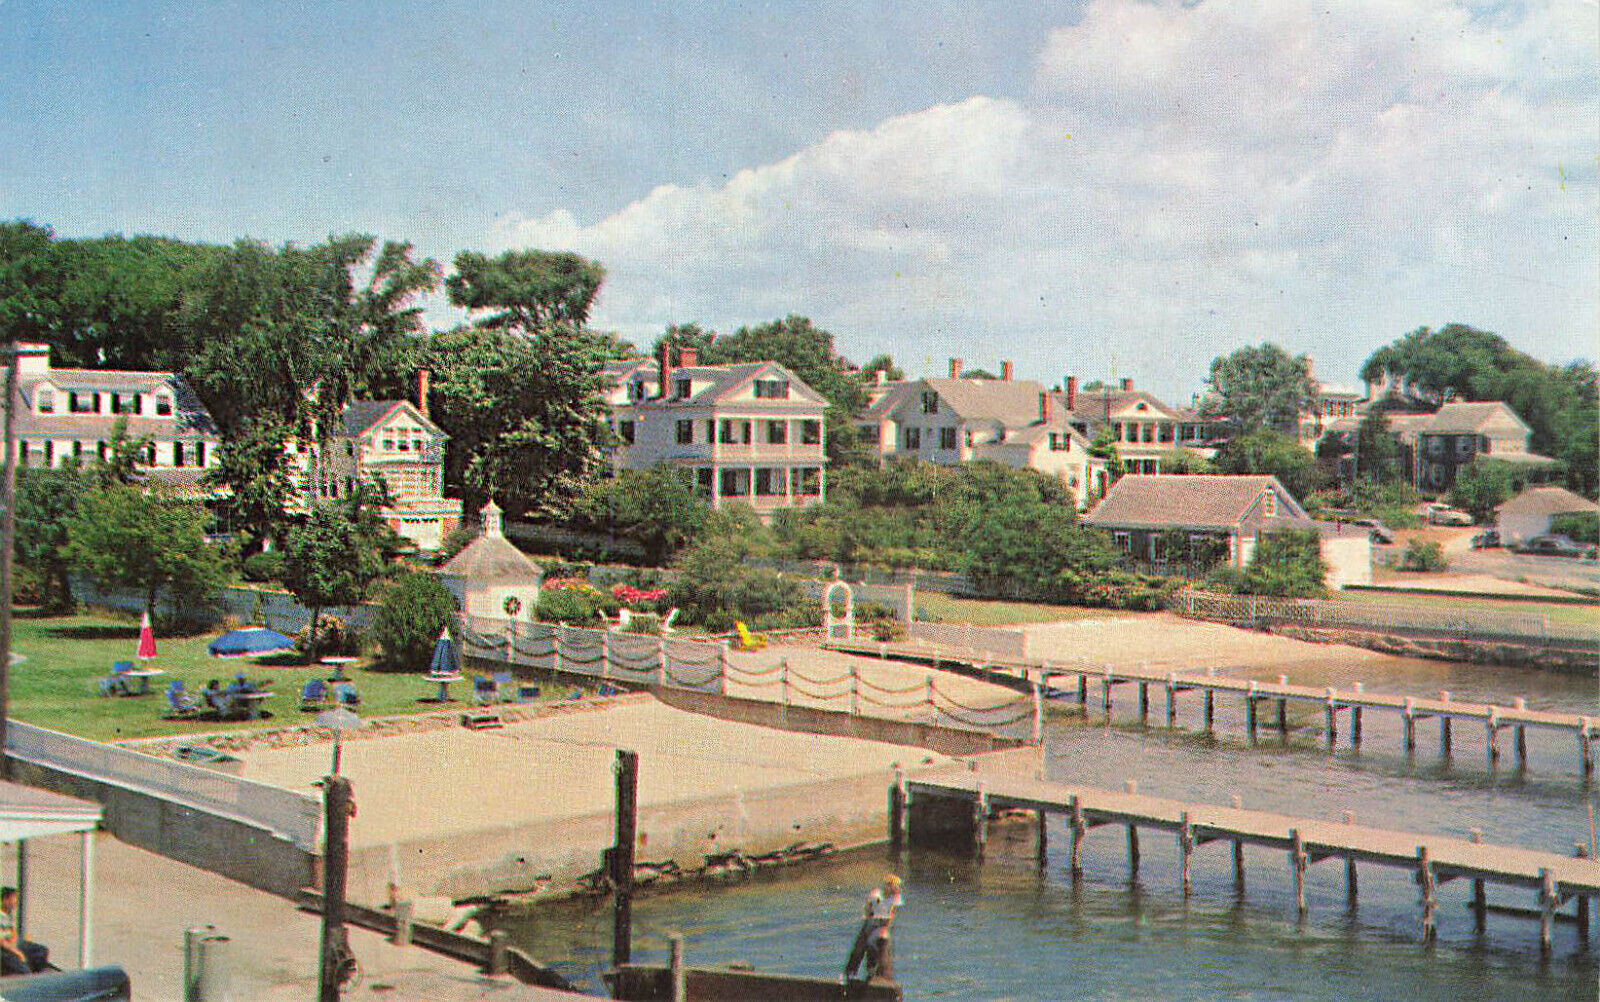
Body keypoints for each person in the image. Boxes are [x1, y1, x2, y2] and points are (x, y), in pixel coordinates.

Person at [843, 873, 901, 982]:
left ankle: (873, 973)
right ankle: (850, 972)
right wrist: (869, 924)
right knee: (860, 947)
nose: (896, 888)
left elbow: (892, 912)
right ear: (888, 885)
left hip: (882, 922)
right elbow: (868, 909)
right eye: (894, 885)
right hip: (871, 920)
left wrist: (886, 926)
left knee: (876, 945)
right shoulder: (876, 894)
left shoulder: (895, 897)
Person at [0, 887, 49, 975]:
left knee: (41, 950)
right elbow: (2, 942)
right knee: (23, 970)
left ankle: (38, 972)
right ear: (5, 899)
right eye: (14, 899)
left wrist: (22, 939)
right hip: (4, 949)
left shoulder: (8, 915)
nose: (16, 902)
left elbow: (13, 931)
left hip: (12, 944)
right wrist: (17, 952)